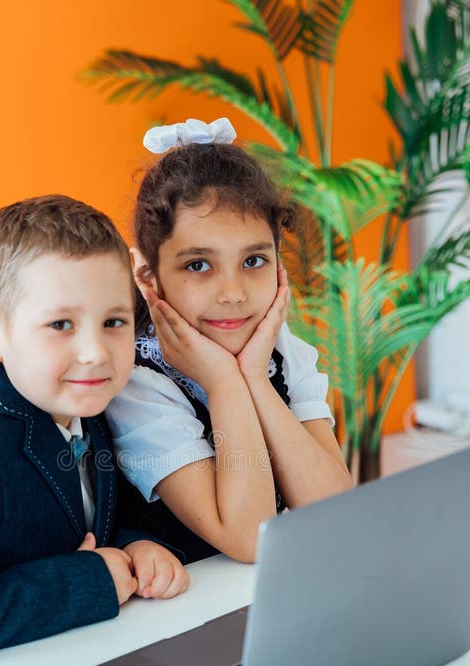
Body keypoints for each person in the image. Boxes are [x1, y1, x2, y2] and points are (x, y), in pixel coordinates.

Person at [0, 195, 189, 660]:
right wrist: (91, 579)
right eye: (61, 324)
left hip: (78, 658)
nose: (95, 352)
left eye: (114, 321)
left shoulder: (83, 398)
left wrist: (135, 547)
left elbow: (84, 529)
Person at [107, 118, 352, 564]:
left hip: (260, 603)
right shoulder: (136, 380)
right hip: (179, 620)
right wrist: (223, 381)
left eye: (254, 260)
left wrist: (254, 378)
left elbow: (335, 513)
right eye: (199, 265)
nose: (233, 293)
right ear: (149, 276)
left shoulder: (278, 350)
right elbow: (250, 539)